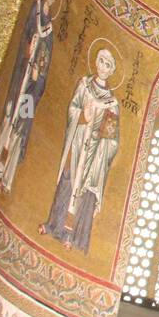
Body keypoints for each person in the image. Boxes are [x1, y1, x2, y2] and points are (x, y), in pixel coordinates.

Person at [39, 48, 121, 253]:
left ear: (112, 71)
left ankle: (72, 236)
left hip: (93, 153)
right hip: (77, 145)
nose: (103, 67)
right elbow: (72, 109)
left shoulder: (112, 103)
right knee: (67, 182)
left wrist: (102, 143)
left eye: (108, 65)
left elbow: (112, 138)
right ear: (95, 62)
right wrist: (82, 115)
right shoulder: (84, 85)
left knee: (84, 193)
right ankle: (54, 225)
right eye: (101, 61)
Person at [0, 0, 58, 192]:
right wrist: (29, 51)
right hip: (20, 78)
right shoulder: (35, 10)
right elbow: (24, 37)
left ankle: (7, 179)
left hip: (31, 90)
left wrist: (39, 74)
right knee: (10, 112)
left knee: (23, 124)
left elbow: (46, 63)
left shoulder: (51, 30)